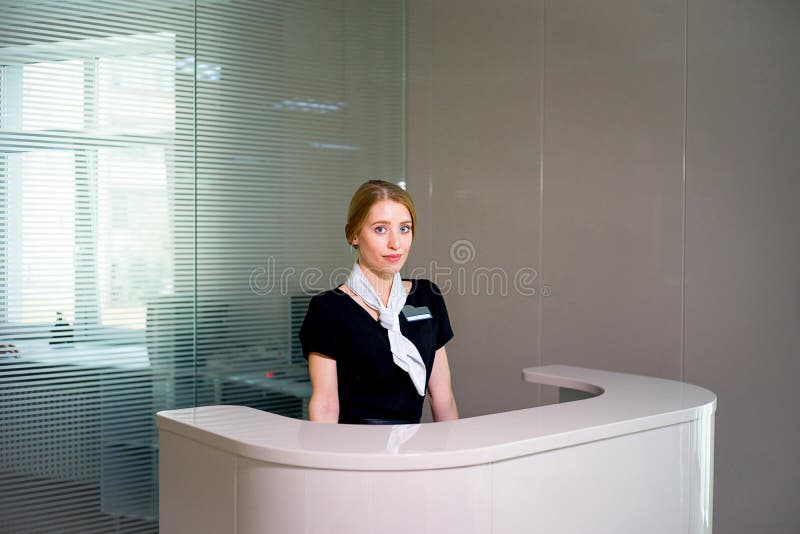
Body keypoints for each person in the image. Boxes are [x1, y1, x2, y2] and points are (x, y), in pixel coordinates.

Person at [299, 180, 458, 424]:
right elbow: (326, 405)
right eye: (380, 229)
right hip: (354, 453)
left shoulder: (427, 296)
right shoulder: (329, 309)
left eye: (404, 228)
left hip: (412, 451)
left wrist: (454, 458)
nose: (396, 243)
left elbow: (442, 398)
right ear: (354, 234)